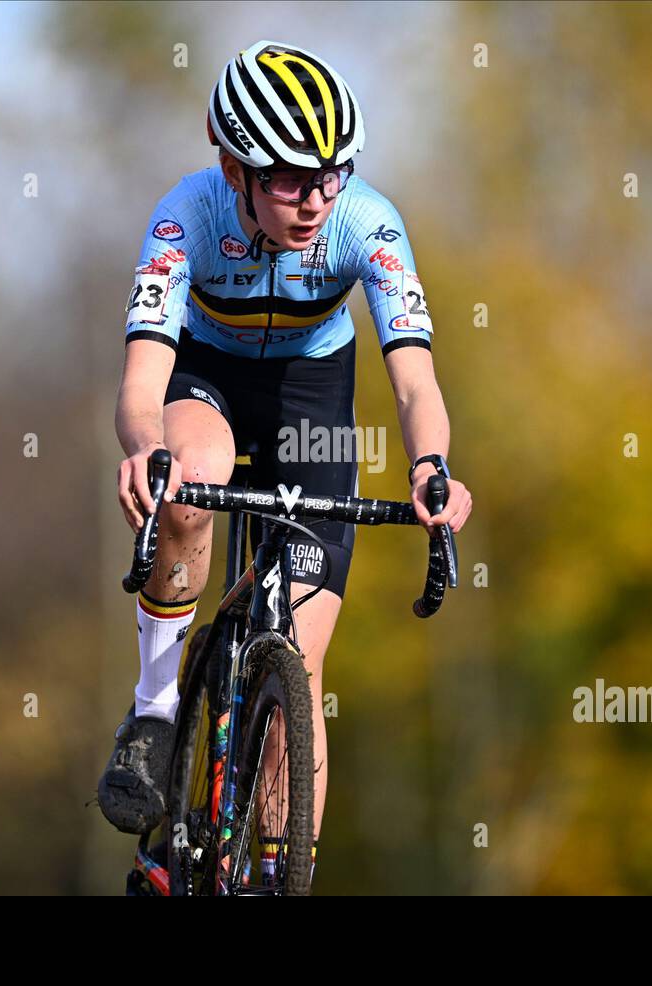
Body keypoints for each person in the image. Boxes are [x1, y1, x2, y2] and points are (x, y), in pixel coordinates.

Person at [97, 39, 472, 886]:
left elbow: (414, 380)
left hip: (313, 392)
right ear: (233, 167)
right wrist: (143, 448)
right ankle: (156, 709)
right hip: (209, 380)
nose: (314, 200)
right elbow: (141, 380)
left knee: (299, 660)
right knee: (191, 483)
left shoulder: (365, 222)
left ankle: (276, 872)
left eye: (331, 174)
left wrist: (431, 467)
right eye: (289, 179)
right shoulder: (182, 217)